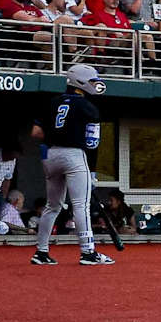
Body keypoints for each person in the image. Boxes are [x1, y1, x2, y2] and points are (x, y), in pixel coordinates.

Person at [27, 63, 110, 266]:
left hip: (50, 154)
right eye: (91, 81)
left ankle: (41, 252)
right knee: (80, 205)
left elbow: (36, 133)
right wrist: (93, 172)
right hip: (74, 154)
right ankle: (88, 252)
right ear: (80, 82)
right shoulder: (88, 106)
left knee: (52, 206)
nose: (94, 84)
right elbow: (92, 143)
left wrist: (56, 134)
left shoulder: (51, 102)